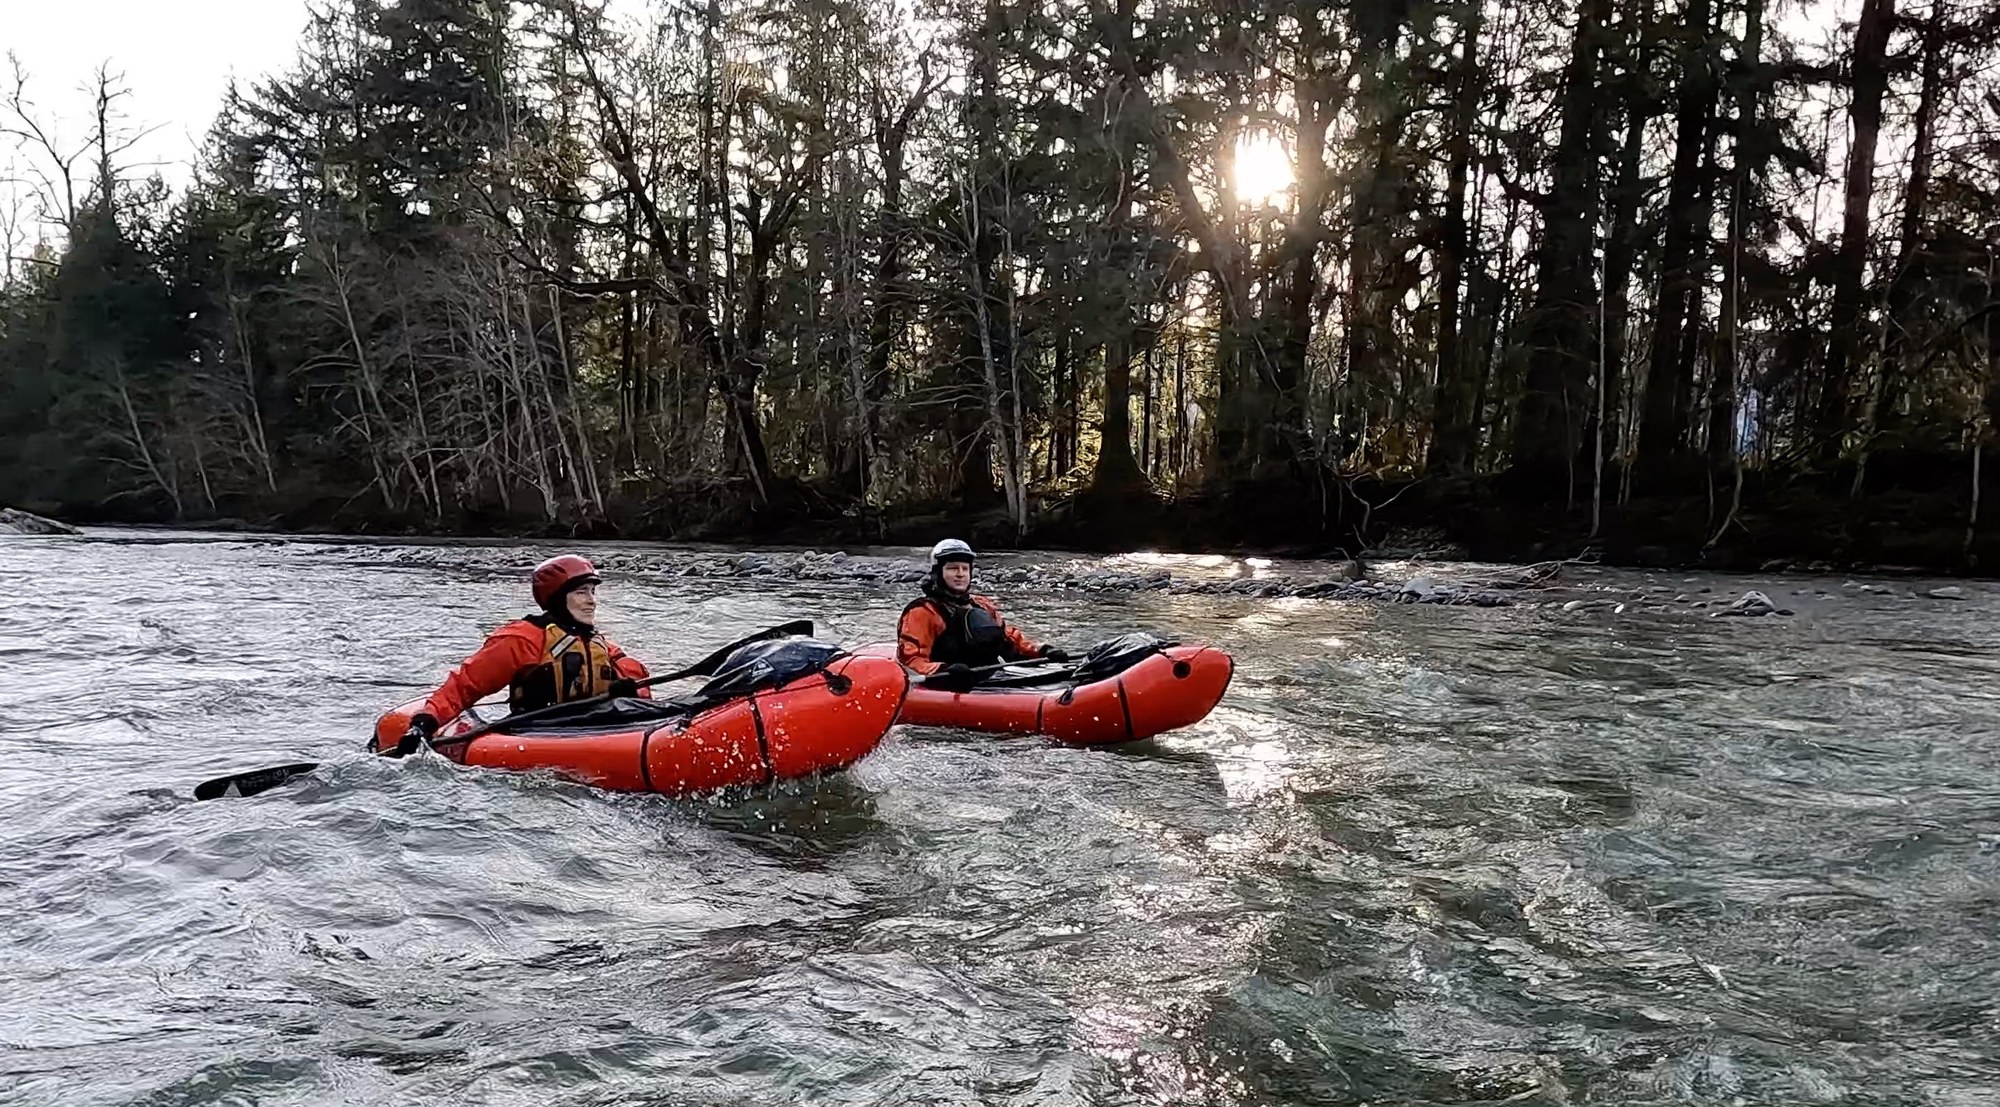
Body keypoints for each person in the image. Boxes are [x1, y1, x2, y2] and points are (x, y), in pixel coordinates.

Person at [388, 554, 651, 755]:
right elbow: (464, 686)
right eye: (581, 592)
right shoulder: (522, 639)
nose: (592, 600)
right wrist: (423, 724)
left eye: (593, 592)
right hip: (538, 732)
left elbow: (635, 676)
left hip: (594, 727)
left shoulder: (596, 642)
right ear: (558, 598)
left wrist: (630, 692)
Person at [896, 539, 1069, 679]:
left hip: (990, 676)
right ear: (937, 573)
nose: (960, 574)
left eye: (965, 569)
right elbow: (911, 660)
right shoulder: (922, 612)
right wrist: (943, 670)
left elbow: (1010, 638)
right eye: (952, 568)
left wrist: (1042, 651)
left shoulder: (981, 604)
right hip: (950, 681)